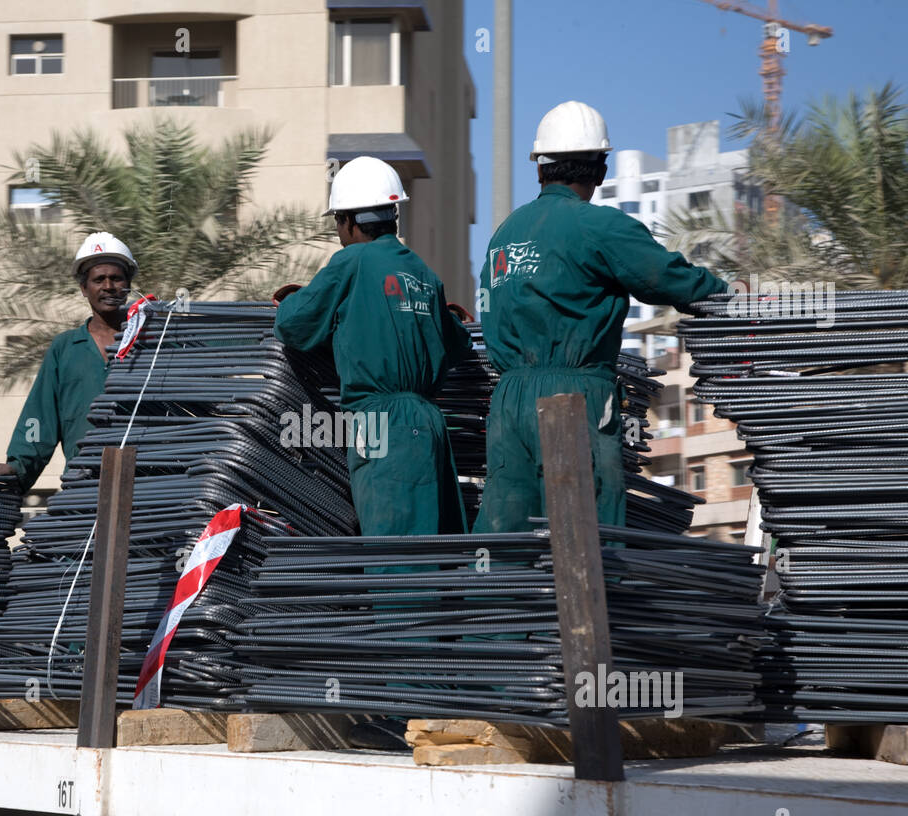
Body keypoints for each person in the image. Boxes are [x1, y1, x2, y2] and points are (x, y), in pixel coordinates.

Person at [474, 101, 727, 534]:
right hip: (574, 397)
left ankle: (504, 602)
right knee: (585, 540)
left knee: (507, 535)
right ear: (601, 170)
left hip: (509, 402)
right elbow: (667, 279)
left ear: (539, 169)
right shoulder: (600, 226)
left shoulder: (505, 234)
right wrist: (730, 296)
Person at [273, 156, 473, 539]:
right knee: (435, 545)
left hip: (379, 423)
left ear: (350, 221)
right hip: (429, 424)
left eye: (337, 221)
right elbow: (456, 343)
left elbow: (293, 325)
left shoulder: (351, 262)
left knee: (393, 549)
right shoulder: (423, 273)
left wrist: (293, 300)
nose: (338, 232)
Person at [0, 232, 138, 490]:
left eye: (116, 278)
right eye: (98, 279)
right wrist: (18, 464)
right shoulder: (65, 348)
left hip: (153, 483)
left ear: (128, 285)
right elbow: (40, 415)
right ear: (84, 288)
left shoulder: (154, 340)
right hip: (84, 484)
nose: (108, 286)